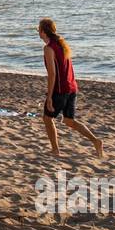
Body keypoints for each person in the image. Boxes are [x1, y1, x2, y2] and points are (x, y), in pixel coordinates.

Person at [37, 18, 103, 157]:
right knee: (69, 120)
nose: (38, 31)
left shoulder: (49, 48)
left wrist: (49, 96)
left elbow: (52, 74)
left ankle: (55, 150)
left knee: (47, 118)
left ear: (43, 31)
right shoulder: (62, 44)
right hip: (72, 87)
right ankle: (96, 141)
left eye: (39, 29)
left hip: (60, 90)